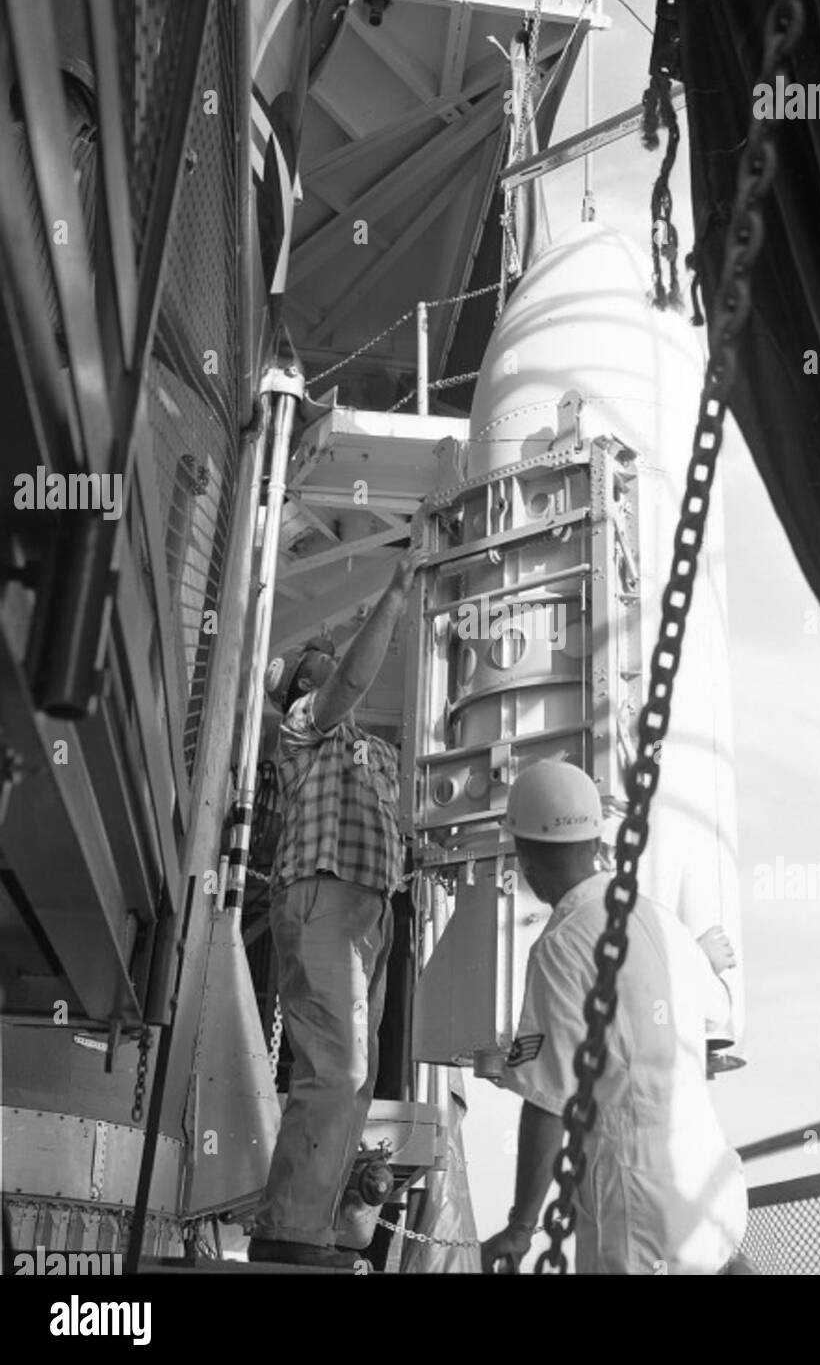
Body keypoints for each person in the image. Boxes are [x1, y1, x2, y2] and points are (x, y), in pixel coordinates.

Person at [481, 759, 749, 1275]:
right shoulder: (661, 921)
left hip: (642, 1216)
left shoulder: (562, 946)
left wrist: (520, 1227)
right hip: (714, 1199)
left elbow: (548, 1102)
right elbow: (717, 1017)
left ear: (525, 856)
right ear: (595, 840)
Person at [248, 545, 424, 1268]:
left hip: (371, 909)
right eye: (314, 658)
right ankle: (288, 1232)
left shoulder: (372, 754)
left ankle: (310, 1228)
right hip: (324, 894)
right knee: (336, 1069)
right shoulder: (305, 725)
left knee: (354, 1079)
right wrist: (396, 595)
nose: (327, 656)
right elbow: (352, 679)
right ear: (298, 686)